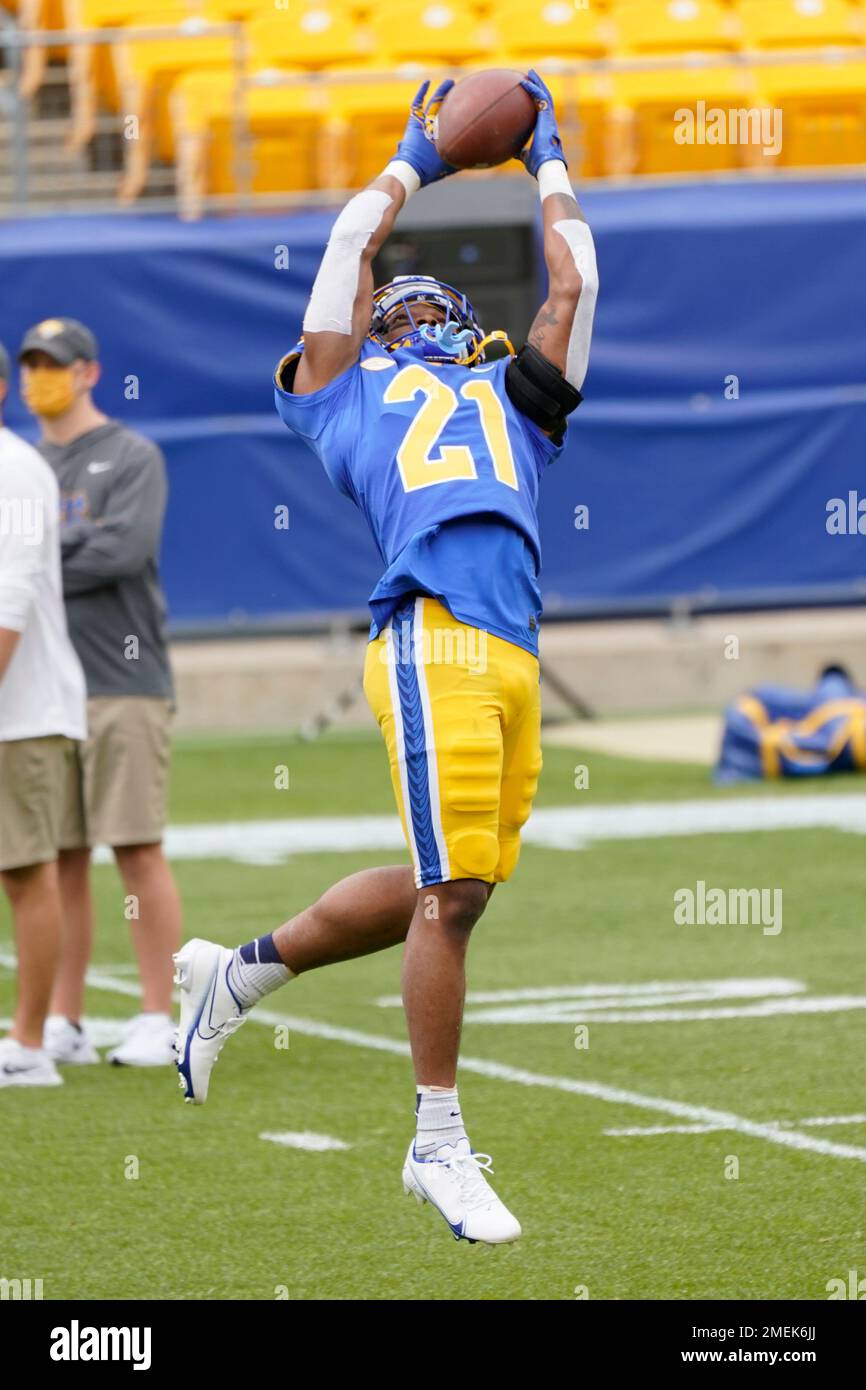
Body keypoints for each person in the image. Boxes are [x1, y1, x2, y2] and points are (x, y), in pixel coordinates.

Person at [174, 72, 599, 1243]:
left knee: (446, 888)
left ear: (465, 322)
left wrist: (545, 157)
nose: (407, 314)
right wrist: (419, 155)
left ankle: (242, 970)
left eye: (428, 304)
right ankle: (435, 1141)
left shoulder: (513, 397)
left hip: (510, 646)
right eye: (390, 305)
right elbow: (349, 240)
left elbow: (578, 279)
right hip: (430, 635)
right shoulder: (345, 393)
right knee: (452, 896)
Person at [17, 317, 182, 1067]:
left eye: (54, 364)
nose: (39, 377)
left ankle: (159, 1012)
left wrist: (39, 559)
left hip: (122, 677)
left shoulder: (129, 454)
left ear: (89, 371)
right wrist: (58, 553)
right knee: (64, 855)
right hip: (50, 686)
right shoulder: (23, 464)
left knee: (137, 846)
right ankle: (66, 1017)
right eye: (30, 365)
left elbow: (123, 549)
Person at [0, 339, 88, 1087]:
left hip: (20, 713)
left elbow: (12, 596)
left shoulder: (14, 469)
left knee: (27, 873)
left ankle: (30, 1045)